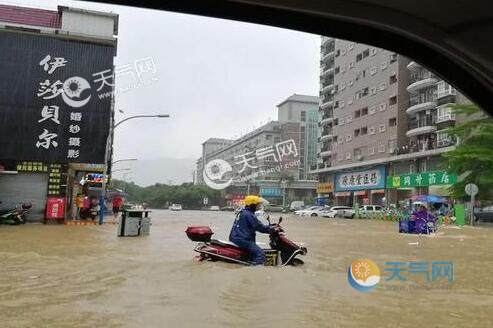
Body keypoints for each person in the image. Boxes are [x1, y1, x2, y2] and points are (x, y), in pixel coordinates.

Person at [229, 195, 274, 265]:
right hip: (242, 239)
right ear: (252, 205)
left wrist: (270, 227)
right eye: (257, 204)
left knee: (253, 252)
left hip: (237, 237)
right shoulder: (249, 215)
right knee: (260, 254)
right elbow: (259, 227)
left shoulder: (243, 212)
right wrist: (271, 229)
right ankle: (256, 272)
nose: (258, 206)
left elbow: (257, 225)